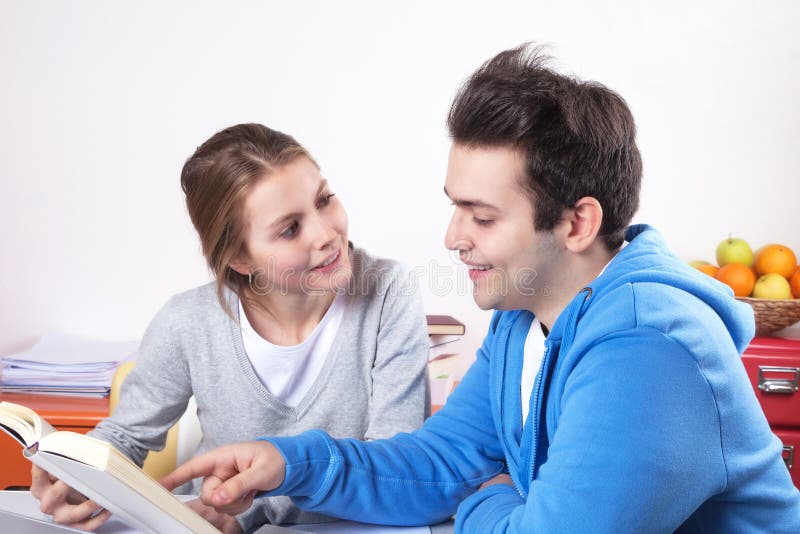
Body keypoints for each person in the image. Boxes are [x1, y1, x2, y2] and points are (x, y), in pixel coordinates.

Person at [163, 45, 800, 533]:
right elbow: (440, 463)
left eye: (483, 216)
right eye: (455, 207)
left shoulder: (648, 349)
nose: (452, 237)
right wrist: (289, 463)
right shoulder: (525, 318)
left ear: (577, 223)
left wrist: (485, 496)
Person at [30, 123, 430, 533]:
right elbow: (126, 437)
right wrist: (75, 476)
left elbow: (397, 466)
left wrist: (254, 511)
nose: (327, 235)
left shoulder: (387, 292)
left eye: (324, 200)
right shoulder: (187, 323)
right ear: (240, 258)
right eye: (290, 228)